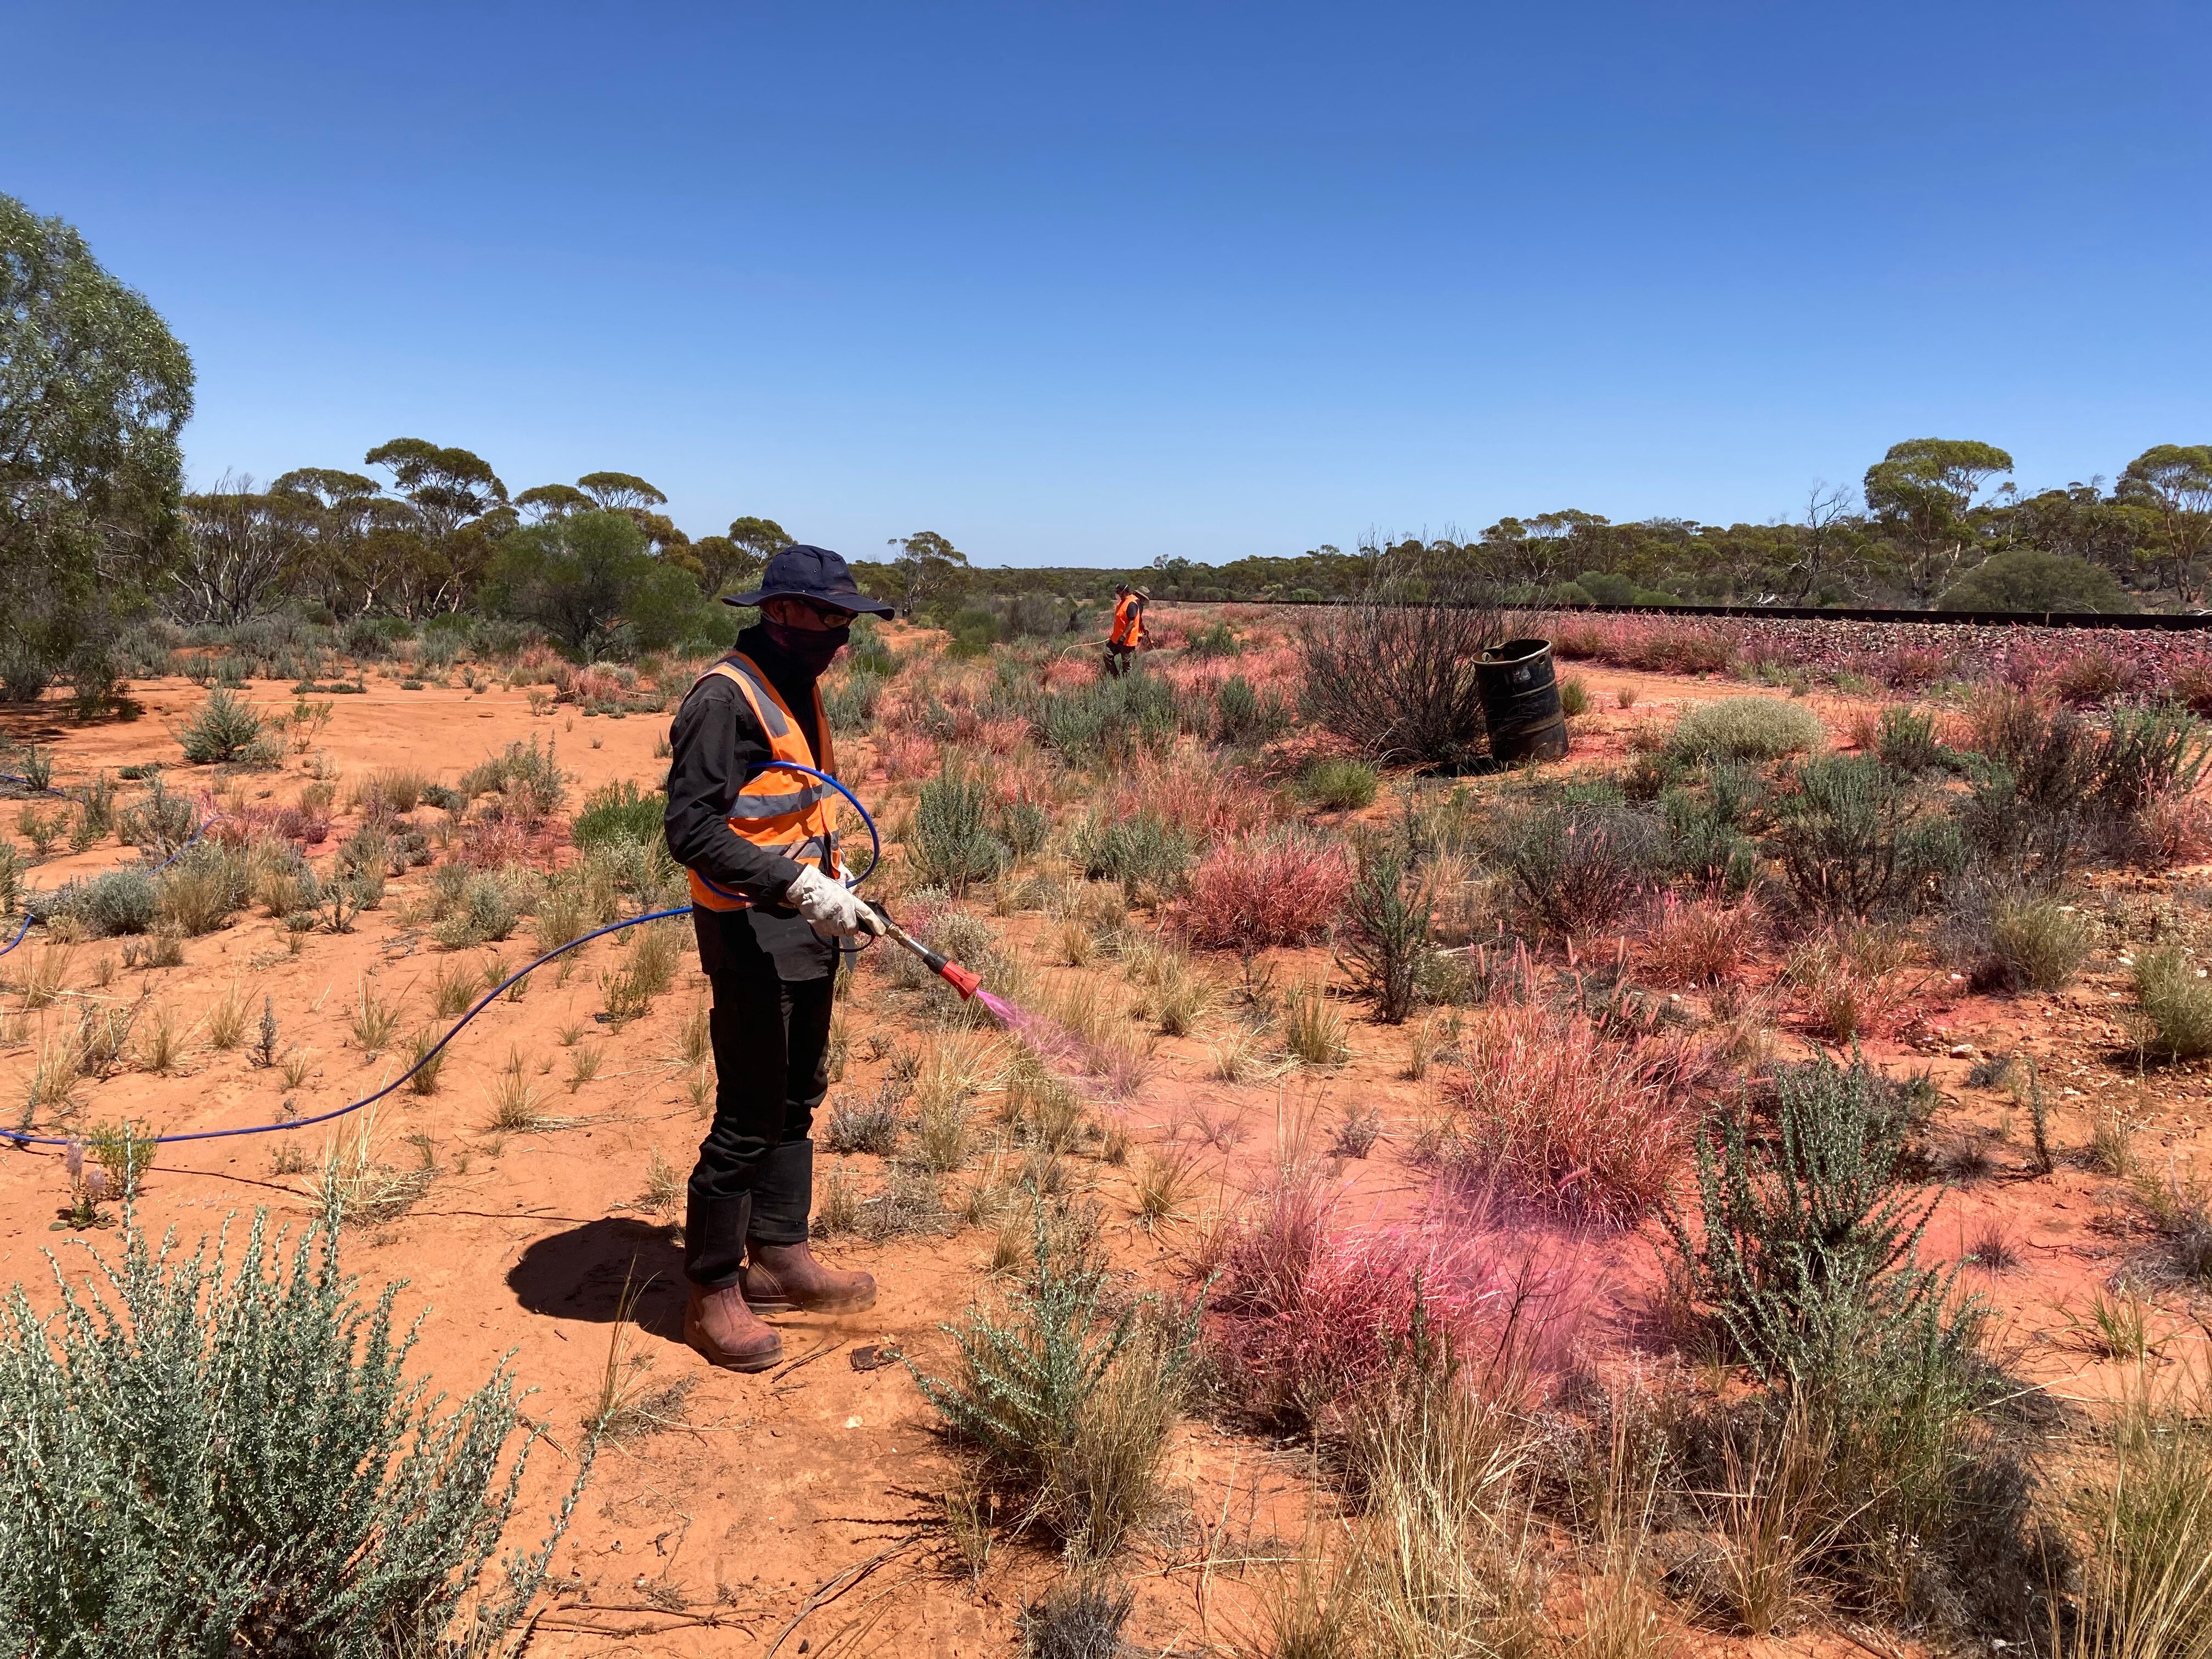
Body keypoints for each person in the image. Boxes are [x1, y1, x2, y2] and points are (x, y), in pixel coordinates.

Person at [662, 545, 891, 1372]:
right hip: (749, 931)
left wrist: (827, 885)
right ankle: (712, 1290)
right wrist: (792, 887)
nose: (844, 636)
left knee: (799, 1091)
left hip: (801, 922)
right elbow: (690, 831)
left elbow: (787, 809)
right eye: (833, 618)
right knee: (747, 1111)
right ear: (784, 612)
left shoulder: (799, 685)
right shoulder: (723, 700)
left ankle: (779, 1255)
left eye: (849, 620)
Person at [1105, 583, 1148, 676]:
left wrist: (1124, 636)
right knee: (1107, 655)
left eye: (1118, 592)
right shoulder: (1123, 602)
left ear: (1124, 592)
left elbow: (1133, 621)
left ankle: (1127, 685)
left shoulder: (1132, 604)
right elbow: (1139, 620)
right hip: (1116, 639)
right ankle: (1115, 677)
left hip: (1126, 641)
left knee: (1127, 665)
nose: (1117, 593)